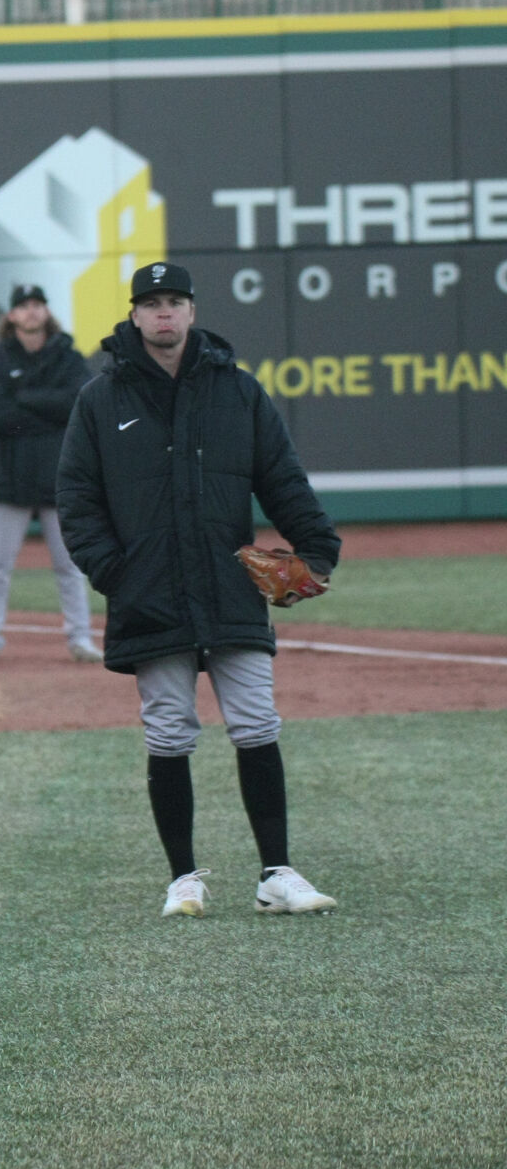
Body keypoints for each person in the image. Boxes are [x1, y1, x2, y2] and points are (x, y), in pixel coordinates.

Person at [56, 261, 342, 919]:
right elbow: (76, 498)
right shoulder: (100, 399)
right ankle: (183, 879)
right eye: (151, 302)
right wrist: (116, 572)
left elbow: (281, 476)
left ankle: (277, 873)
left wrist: (317, 547)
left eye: (174, 301)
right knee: (168, 733)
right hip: (148, 593)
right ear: (134, 315)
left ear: (191, 310)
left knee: (256, 723)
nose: (164, 312)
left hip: (227, 586)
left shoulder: (236, 390)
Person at [0, 284, 100, 665]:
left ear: (47, 311)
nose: (31, 311)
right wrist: (47, 412)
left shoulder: (68, 357)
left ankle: (81, 638)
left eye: (37, 304)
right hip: (8, 477)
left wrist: (23, 397)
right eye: (23, 306)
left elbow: (77, 404)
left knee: (69, 565)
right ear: (11, 315)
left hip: (59, 477)